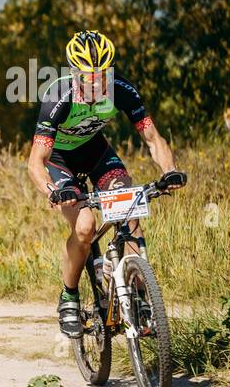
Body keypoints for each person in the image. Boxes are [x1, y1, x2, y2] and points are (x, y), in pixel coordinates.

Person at [27, 30, 187, 338]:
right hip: (60, 161)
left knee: (128, 210)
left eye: (101, 75)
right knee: (85, 227)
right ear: (73, 74)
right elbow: (36, 160)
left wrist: (169, 171)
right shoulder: (57, 97)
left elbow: (152, 138)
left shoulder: (122, 90)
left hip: (96, 153)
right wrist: (52, 190)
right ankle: (70, 297)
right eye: (87, 77)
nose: (96, 83)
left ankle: (139, 294)